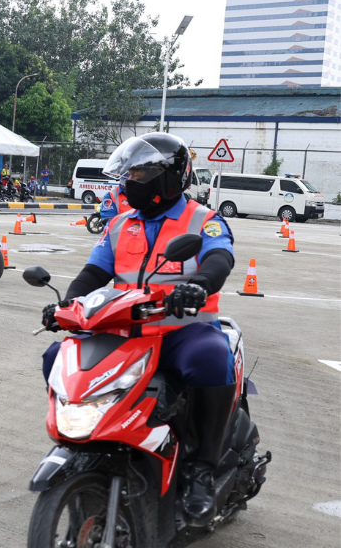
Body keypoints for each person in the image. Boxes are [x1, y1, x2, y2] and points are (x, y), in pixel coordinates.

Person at [38, 133, 236, 527]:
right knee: (58, 356)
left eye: (141, 172)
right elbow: (94, 273)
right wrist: (66, 304)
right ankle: (83, 441)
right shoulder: (119, 224)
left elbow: (219, 258)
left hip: (181, 329)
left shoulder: (202, 220)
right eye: (129, 173)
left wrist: (199, 283)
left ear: (169, 177)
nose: (132, 180)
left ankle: (201, 469)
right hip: (126, 329)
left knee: (211, 359)